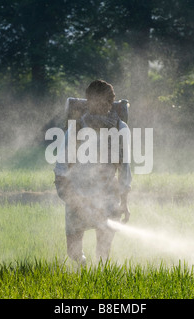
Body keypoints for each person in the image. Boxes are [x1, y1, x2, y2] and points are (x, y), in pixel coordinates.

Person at [54, 79, 132, 265]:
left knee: (103, 253)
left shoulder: (121, 128)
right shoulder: (77, 128)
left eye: (107, 102)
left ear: (111, 103)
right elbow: (61, 165)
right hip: (78, 194)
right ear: (88, 102)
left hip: (107, 195)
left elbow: (124, 168)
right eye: (98, 101)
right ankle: (83, 266)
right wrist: (68, 195)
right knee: (73, 252)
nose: (103, 106)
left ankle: (98, 281)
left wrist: (125, 203)